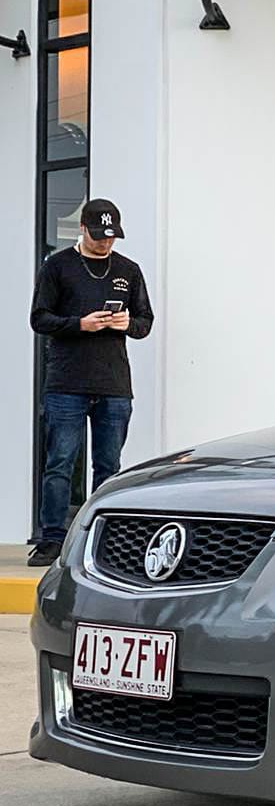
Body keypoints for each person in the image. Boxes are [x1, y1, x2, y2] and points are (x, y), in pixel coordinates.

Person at [27, 199, 155, 566]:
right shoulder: (58, 266)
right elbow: (39, 318)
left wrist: (125, 324)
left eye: (112, 237)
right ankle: (51, 538)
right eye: (99, 236)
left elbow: (145, 321)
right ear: (83, 228)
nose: (105, 243)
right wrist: (79, 324)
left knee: (109, 465)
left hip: (113, 382)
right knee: (60, 462)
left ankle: (104, 540)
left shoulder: (128, 270)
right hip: (66, 381)